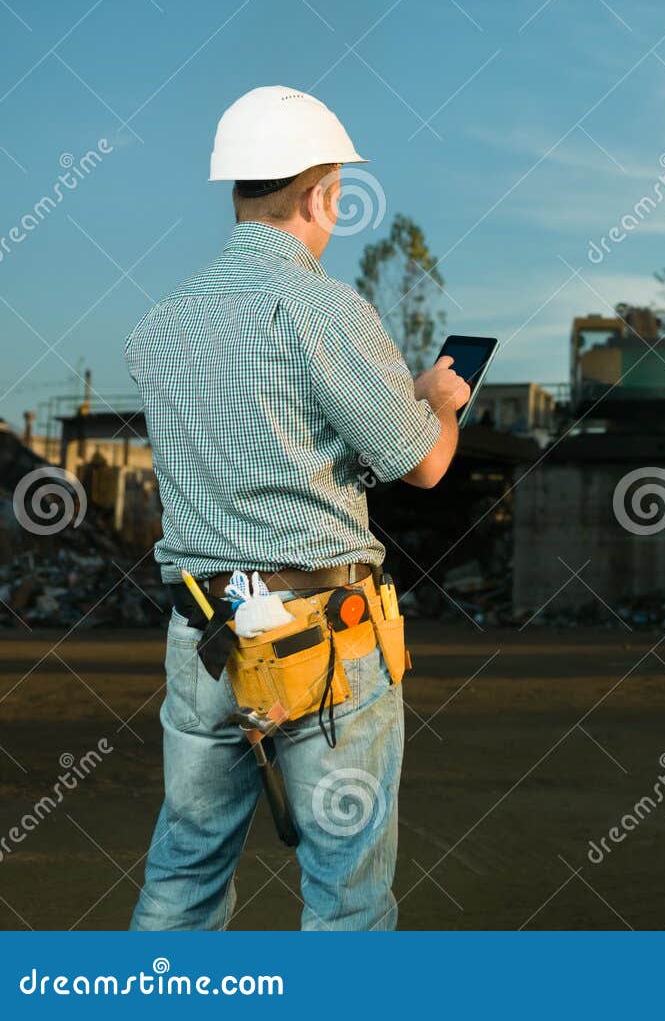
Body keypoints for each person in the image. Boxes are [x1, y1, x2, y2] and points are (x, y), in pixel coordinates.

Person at [125, 86, 469, 930]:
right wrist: (441, 402)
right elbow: (422, 465)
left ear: (237, 192)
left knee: (185, 866)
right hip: (319, 635)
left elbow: (272, 447)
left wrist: (396, 401)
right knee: (346, 888)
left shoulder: (161, 327)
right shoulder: (322, 307)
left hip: (206, 630)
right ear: (323, 197)